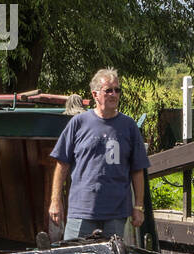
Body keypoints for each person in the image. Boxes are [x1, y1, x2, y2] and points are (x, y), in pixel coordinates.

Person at [47, 67, 148, 243]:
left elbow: (137, 170)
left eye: (117, 90)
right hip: (81, 211)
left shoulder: (129, 126)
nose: (114, 94)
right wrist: (55, 200)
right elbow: (62, 163)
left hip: (116, 213)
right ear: (95, 95)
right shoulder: (78, 123)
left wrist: (138, 206)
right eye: (108, 90)